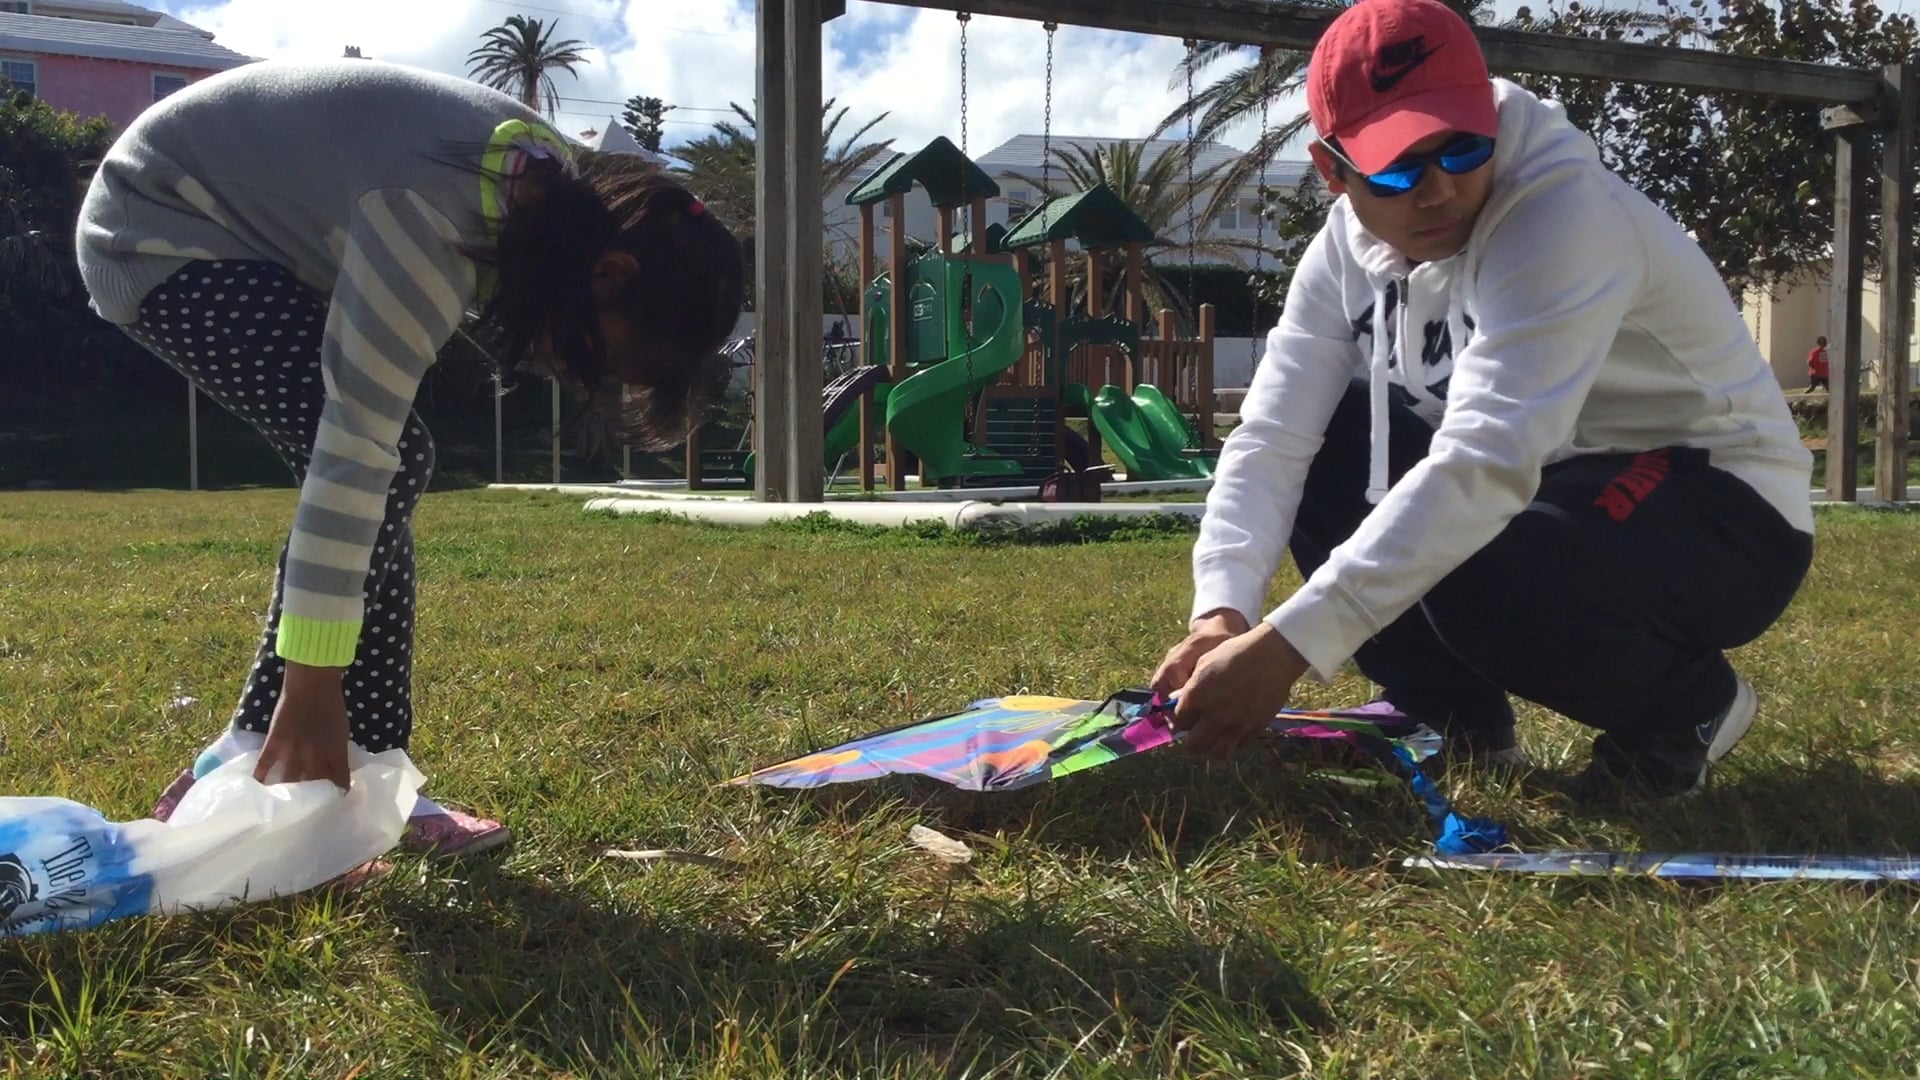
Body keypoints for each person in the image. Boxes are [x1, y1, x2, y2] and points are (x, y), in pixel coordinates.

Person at [1150, 0, 1814, 803]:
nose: (1439, 191)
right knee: (1335, 444)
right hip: (1564, 482)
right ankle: (1449, 717)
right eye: (1397, 167)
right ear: (1334, 170)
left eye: (1463, 147)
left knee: (1481, 558)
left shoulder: (1564, 213)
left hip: (1722, 502)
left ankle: (1686, 711)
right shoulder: (1341, 253)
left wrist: (1286, 647)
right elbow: (1273, 436)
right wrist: (1219, 611)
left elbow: (1487, 463)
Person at [76, 59, 744, 853]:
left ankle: (349, 765)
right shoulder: (431, 220)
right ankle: (260, 755)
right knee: (385, 460)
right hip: (156, 226)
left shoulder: (560, 201)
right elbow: (350, 455)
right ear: (609, 274)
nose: (574, 373)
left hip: (249, 224)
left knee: (398, 460)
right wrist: (311, 685)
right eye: (597, 358)